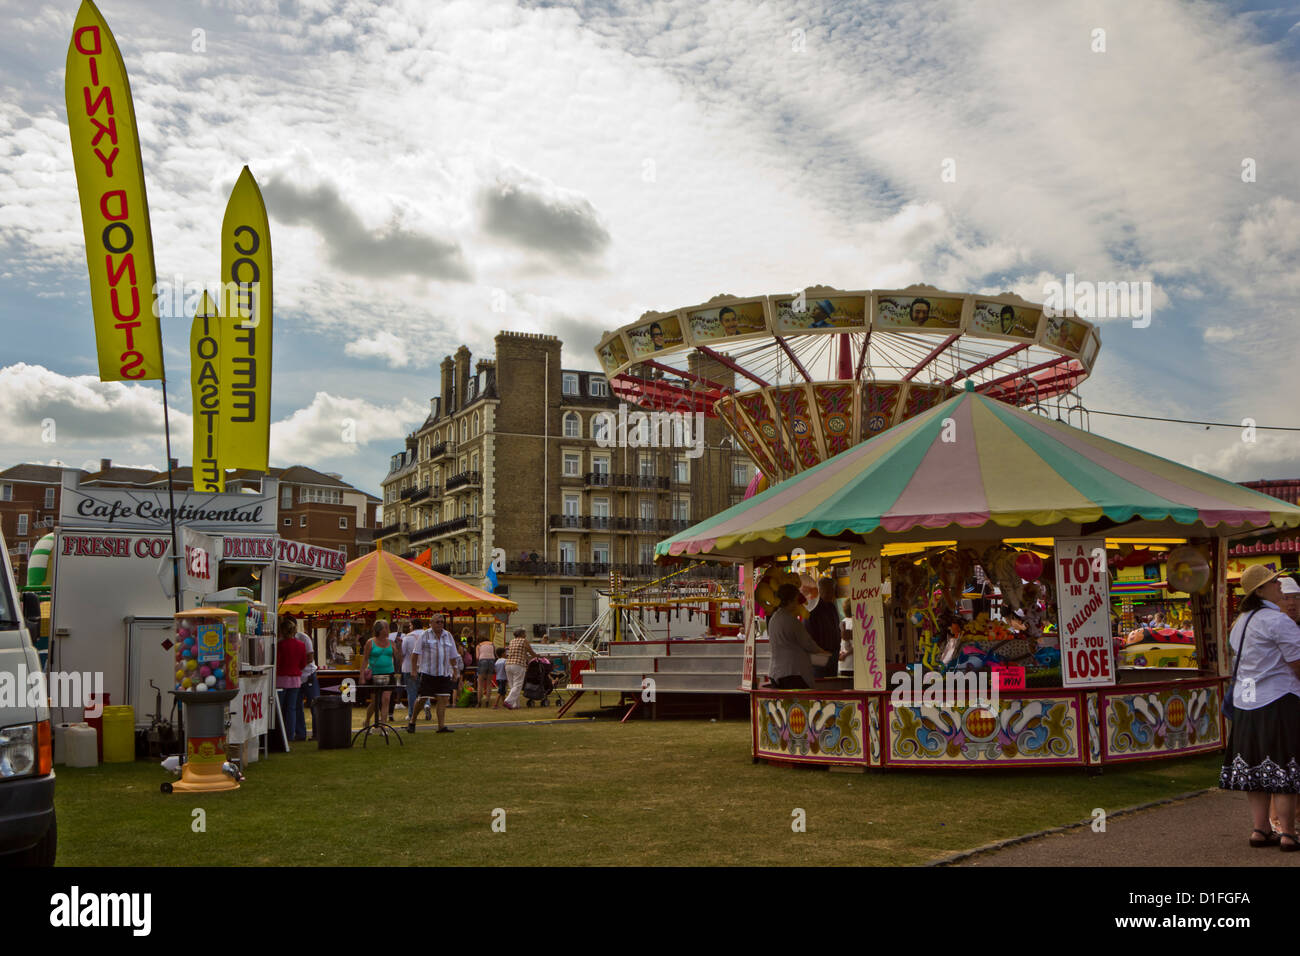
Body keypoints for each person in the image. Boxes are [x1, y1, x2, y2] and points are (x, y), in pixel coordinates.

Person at [1219, 565, 1300, 851]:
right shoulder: (1278, 622)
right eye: (1274, 582)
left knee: (1255, 768)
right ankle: (1289, 832)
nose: (1280, 586)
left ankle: (1260, 828)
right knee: (1284, 768)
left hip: (1247, 701)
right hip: (1278, 698)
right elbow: (1296, 663)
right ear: (1261, 590)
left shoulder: (1241, 621)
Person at [766, 584, 826, 690]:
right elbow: (808, 644)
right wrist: (823, 652)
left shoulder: (774, 619)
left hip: (775, 672)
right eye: (795, 600)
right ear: (789, 601)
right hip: (793, 672)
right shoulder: (791, 621)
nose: (797, 603)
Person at [409, 613, 461, 733]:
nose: (440, 624)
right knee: (422, 699)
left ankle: (441, 726)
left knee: (443, 699)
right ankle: (412, 721)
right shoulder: (425, 635)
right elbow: (415, 653)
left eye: (442, 622)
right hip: (428, 673)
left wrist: (455, 670)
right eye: (437, 622)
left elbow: (453, 655)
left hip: (443, 673)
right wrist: (413, 670)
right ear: (431, 623)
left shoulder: (448, 636)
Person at [275, 617, 308, 743]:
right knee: (292, 709)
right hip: (295, 679)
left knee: (280, 708)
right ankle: (290, 734)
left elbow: (278, 662)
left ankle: (280, 734)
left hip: (281, 679)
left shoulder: (280, 645)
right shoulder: (301, 645)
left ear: (282, 631)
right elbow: (303, 663)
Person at [360, 620, 397, 729]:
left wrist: (397, 648)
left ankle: (383, 726)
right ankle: (367, 721)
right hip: (374, 674)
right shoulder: (370, 642)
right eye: (385, 627)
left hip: (389, 673)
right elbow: (365, 660)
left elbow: (398, 658)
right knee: (375, 701)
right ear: (379, 630)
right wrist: (362, 675)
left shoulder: (391, 642)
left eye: (387, 627)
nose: (387, 630)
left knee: (386, 699)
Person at [804, 577, 840, 679]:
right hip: (819, 658)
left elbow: (836, 628)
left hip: (833, 655)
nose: (831, 594)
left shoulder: (832, 607)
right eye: (828, 591)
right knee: (821, 686)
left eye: (832, 591)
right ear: (819, 591)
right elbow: (808, 637)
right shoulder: (812, 609)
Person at [294, 622, 318, 741]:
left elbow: (310, 657)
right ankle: (300, 733)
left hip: (308, 674)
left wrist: (295, 665)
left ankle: (317, 733)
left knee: (314, 704)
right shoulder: (283, 640)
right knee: (297, 706)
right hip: (296, 677)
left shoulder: (304, 638)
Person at [504, 628, 535, 709]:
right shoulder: (524, 641)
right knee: (517, 685)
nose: (526, 635)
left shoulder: (511, 641)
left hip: (508, 664)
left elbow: (521, 652)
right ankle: (508, 701)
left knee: (512, 686)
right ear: (521, 634)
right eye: (525, 633)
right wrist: (537, 656)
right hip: (518, 664)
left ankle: (515, 705)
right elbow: (530, 651)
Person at [476, 634, 497, 708]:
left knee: (480, 683)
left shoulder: (479, 645)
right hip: (491, 661)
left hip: (482, 661)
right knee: (489, 683)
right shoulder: (492, 644)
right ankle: (487, 701)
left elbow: (477, 657)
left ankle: (479, 702)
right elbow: (495, 654)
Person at [838, 599, 854, 678]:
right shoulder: (856, 623)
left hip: (842, 664)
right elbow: (856, 646)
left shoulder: (842, 622)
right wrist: (846, 654)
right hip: (853, 664)